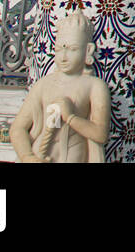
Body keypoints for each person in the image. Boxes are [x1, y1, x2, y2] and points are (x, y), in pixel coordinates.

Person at [11, 12, 111, 163]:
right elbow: (17, 129)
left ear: (88, 50)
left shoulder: (94, 86)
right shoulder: (43, 85)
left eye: (72, 49)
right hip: (40, 153)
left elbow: (100, 134)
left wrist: (70, 117)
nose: (64, 57)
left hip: (73, 155)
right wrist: (27, 156)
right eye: (59, 49)